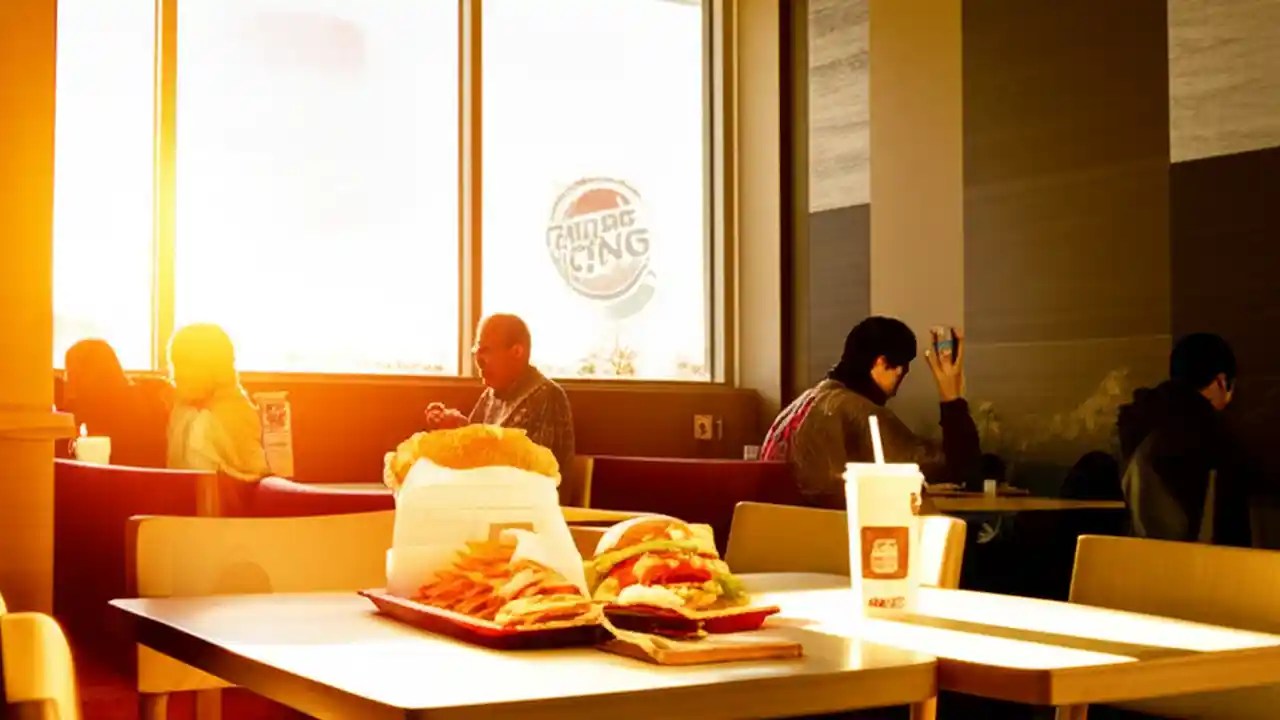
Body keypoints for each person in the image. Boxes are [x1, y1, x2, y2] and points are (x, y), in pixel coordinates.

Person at [762, 316, 981, 508]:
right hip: (825, 535)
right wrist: (951, 396)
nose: (898, 386)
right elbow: (957, 468)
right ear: (881, 362)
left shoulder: (801, 404)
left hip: (779, 528)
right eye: (902, 370)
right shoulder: (857, 409)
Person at [1118, 333, 1254, 546]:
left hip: (1135, 565)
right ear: (1221, 381)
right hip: (1192, 570)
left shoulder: (1136, 424)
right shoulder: (1216, 437)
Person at [424, 314, 575, 472]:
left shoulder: (548, 397)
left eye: (486, 351)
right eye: (477, 352)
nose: (479, 362)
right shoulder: (491, 395)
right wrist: (455, 428)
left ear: (517, 352)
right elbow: (473, 447)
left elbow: (534, 476)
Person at [166, 323, 270, 481]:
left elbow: (253, 478)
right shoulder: (183, 410)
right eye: (175, 365)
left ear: (213, 368)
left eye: (185, 365)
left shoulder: (230, 416)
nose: (176, 375)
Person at [61, 339, 168, 467]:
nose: (68, 379)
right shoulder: (149, 399)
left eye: (70, 373)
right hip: (151, 479)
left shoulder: (88, 407)